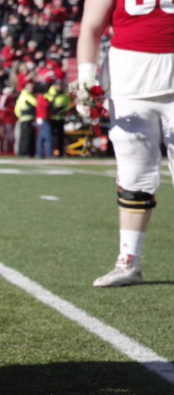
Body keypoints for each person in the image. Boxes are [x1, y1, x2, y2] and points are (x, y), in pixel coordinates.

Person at [78, 0, 174, 287]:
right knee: (134, 171)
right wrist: (85, 80)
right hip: (130, 77)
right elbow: (92, 25)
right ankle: (128, 260)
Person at [46, 82, 71, 157]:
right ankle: (50, 152)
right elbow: (47, 105)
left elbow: (67, 105)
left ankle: (60, 152)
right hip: (52, 119)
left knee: (61, 137)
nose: (59, 88)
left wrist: (62, 110)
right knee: (51, 136)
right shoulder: (49, 95)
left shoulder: (64, 96)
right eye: (57, 86)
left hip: (60, 118)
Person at [14, 82, 37, 157]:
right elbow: (36, 103)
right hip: (26, 119)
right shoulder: (26, 95)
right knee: (26, 137)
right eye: (30, 87)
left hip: (26, 118)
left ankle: (26, 152)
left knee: (28, 136)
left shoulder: (23, 95)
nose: (32, 89)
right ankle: (24, 153)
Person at [35, 85, 53, 159]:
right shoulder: (41, 99)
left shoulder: (39, 98)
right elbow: (48, 104)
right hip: (43, 119)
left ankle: (40, 154)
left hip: (41, 119)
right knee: (48, 137)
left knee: (41, 137)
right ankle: (48, 154)